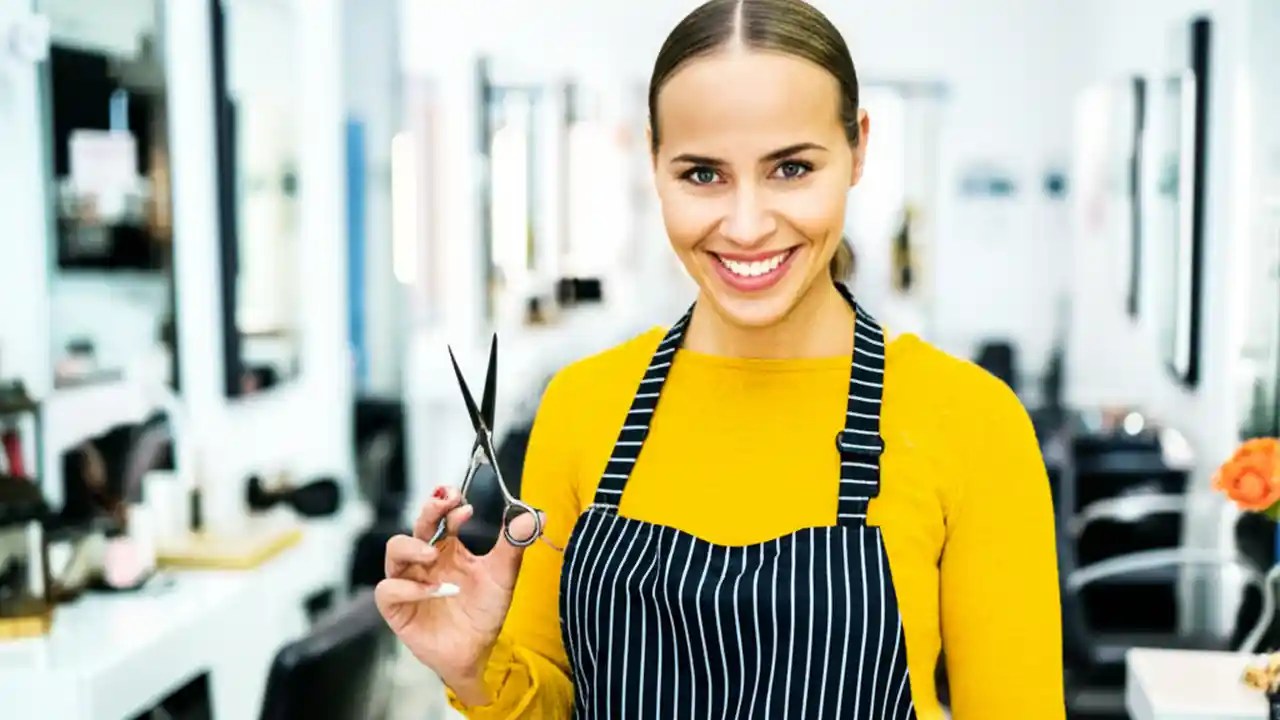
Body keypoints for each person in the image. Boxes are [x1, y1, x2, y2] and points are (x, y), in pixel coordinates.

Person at [376, 0, 1065, 717]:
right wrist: (475, 670)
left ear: (859, 148)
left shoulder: (973, 423)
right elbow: (551, 696)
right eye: (702, 175)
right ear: (653, 162)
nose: (745, 225)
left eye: (791, 168)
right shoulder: (583, 405)